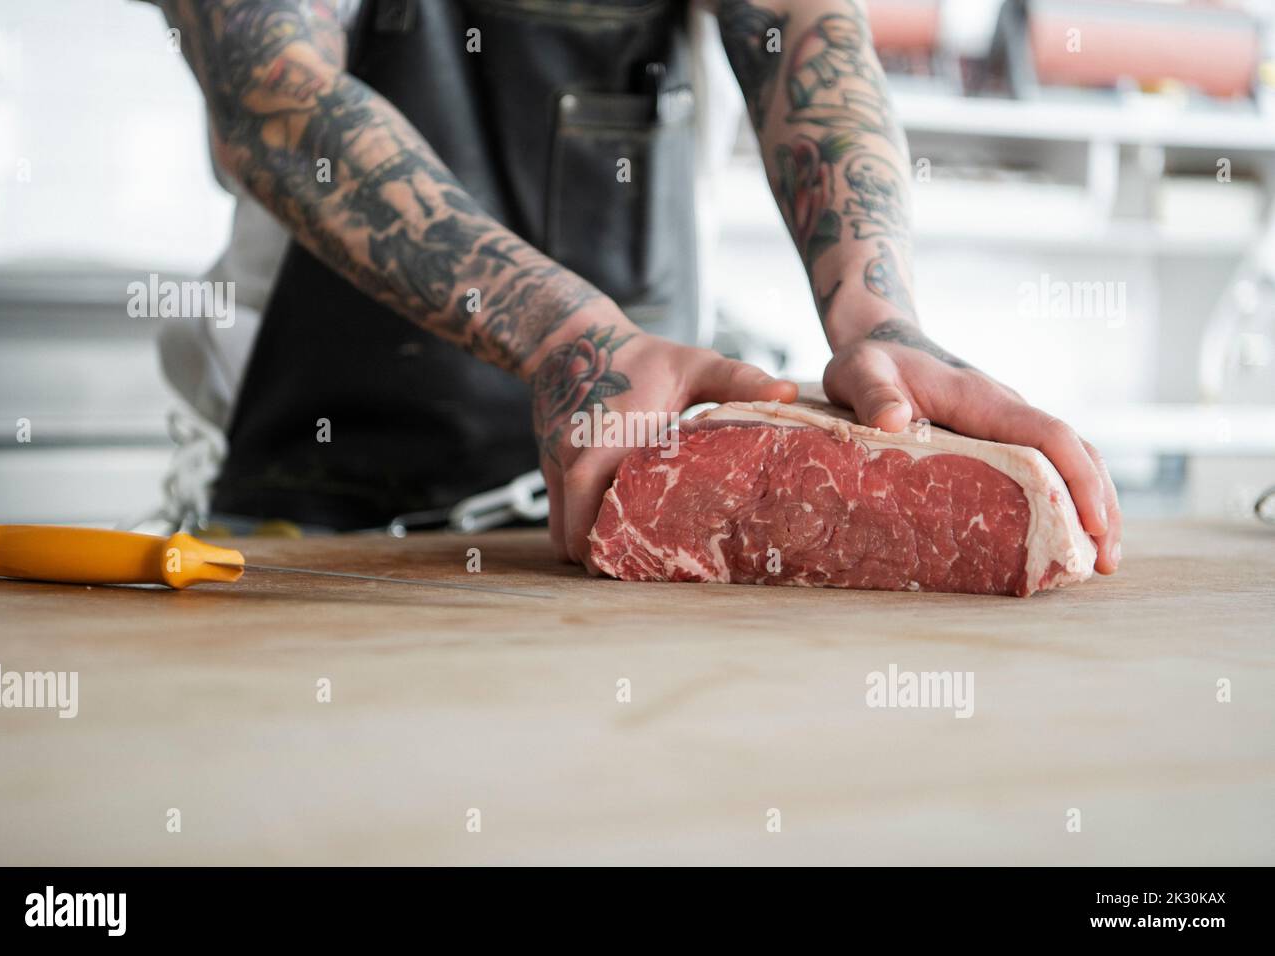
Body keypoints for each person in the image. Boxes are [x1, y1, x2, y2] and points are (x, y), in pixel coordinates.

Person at [151, 0, 1121, 574]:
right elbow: (268, 94)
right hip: (315, 521)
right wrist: (563, 329)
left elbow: (800, 33)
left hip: (644, 506)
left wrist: (882, 315)